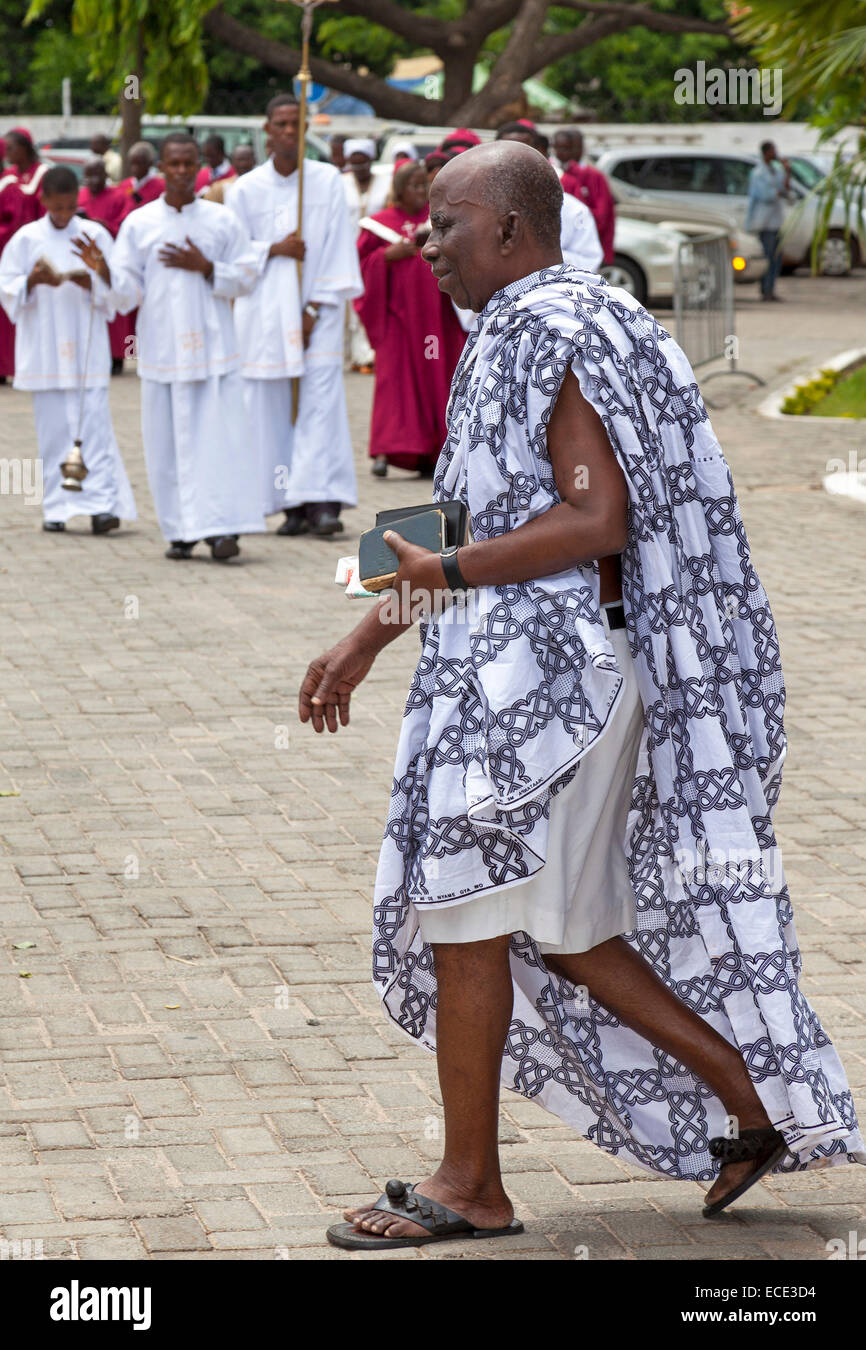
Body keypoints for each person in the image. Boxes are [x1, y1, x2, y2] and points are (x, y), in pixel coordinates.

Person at [299, 141, 864, 1250]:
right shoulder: (544, 323)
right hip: (542, 672)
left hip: (551, 682)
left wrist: (440, 581)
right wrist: (366, 631)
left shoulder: (551, 327)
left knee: (466, 909)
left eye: (446, 224)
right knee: (565, 928)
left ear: (508, 229)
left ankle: (471, 1187)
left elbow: (589, 519)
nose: (426, 242)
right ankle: (749, 1110)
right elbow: (463, 508)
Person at [75, 131, 264, 562]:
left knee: (218, 443)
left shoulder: (222, 220)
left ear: (198, 166)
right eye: (173, 164)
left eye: (188, 163)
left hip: (213, 350)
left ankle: (220, 530)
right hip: (162, 350)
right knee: (166, 445)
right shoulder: (141, 223)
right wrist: (103, 270)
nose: (181, 172)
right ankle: (179, 530)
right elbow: (126, 291)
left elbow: (249, 275)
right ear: (162, 167)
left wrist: (207, 267)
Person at [226, 94, 362, 538]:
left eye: (295, 123)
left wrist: (312, 307)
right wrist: (274, 249)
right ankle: (288, 502)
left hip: (316, 312)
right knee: (274, 409)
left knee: (320, 406)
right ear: (266, 130)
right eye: (280, 123)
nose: (288, 130)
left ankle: (322, 501)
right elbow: (230, 254)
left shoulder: (326, 182)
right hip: (264, 317)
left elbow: (340, 248)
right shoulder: (244, 189)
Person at [0, 165, 136, 534]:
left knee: (94, 428)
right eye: (57, 207)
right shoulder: (27, 239)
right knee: (54, 433)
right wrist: (31, 280)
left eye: (69, 207)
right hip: (45, 348)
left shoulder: (93, 235)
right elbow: (6, 286)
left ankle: (102, 507)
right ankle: (56, 508)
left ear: (78, 201)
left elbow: (121, 291)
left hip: (85, 347)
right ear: (43, 201)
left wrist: (96, 274)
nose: (63, 215)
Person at [355, 160, 467, 480]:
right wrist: (384, 258)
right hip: (397, 319)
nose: (420, 193)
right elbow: (359, 266)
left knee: (437, 380)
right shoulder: (378, 225)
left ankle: (434, 452)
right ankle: (387, 449)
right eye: (414, 186)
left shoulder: (440, 222)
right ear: (399, 189)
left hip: (435, 320)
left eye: (425, 186)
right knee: (395, 383)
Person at [497, 124, 602, 271]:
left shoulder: (574, 210)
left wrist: (539, 256)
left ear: (541, 154)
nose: (516, 162)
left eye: (525, 152)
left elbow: (589, 261)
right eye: (507, 153)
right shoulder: (478, 206)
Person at [78, 158, 134, 374]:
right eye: (88, 176)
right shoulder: (81, 196)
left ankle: (119, 356)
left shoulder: (119, 196)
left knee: (115, 308)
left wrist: (105, 226)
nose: (92, 181)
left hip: (111, 258)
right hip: (86, 260)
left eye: (97, 175)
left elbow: (125, 224)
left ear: (105, 175)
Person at [340, 138, 391, 374]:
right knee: (348, 304)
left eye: (363, 163)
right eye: (354, 164)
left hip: (372, 251)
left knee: (370, 298)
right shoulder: (341, 183)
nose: (359, 168)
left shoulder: (385, 182)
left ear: (371, 161)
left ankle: (368, 353)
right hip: (346, 250)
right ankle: (351, 353)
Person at [0, 129, 46, 383]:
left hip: (32, 252)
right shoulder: (9, 178)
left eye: (11, 148)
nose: (7, 154)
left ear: (25, 148)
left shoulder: (42, 175)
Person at [555, 127, 616, 266]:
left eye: (568, 148)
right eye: (558, 148)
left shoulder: (593, 176)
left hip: (586, 244)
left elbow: (602, 215)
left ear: (580, 148)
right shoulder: (554, 173)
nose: (562, 153)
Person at [746, 141, 792, 303]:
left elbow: (786, 190)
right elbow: (766, 195)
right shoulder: (758, 173)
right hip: (765, 223)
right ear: (766, 153)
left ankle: (770, 289)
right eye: (773, 150)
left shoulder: (776, 171)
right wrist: (778, 191)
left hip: (776, 221)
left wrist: (787, 171)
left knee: (776, 258)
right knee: (767, 258)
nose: (775, 153)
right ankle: (765, 290)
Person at [116, 142, 164, 209]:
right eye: (132, 163)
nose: (134, 169)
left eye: (139, 164)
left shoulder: (161, 186)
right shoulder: (125, 185)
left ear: (150, 163)